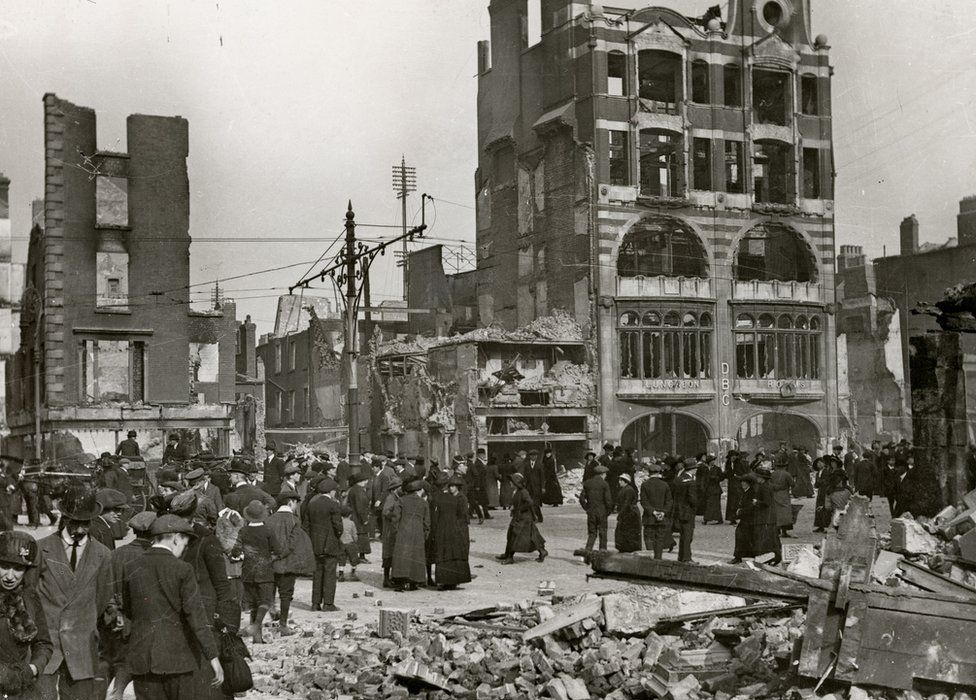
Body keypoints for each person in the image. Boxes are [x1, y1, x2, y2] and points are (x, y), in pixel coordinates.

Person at [121, 514, 223, 699]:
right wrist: (213, 657)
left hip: (142, 659)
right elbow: (196, 617)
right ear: (176, 538)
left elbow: (128, 610)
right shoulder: (183, 569)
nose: (183, 550)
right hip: (178, 660)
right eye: (184, 544)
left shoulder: (131, 567)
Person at [36, 485, 114, 700]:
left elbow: (102, 598)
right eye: (74, 522)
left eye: (85, 524)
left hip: (82, 647)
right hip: (46, 649)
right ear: (64, 518)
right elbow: (31, 596)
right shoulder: (41, 549)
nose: (80, 530)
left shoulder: (103, 555)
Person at [108, 511, 156, 700]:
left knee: (123, 660)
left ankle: (117, 693)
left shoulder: (116, 554)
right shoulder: (152, 555)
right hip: (144, 618)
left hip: (120, 618)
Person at [0, 530, 53, 699]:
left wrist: (33, 668)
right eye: (4, 566)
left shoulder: (29, 597)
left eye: (18, 568)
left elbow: (44, 643)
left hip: (21, 688)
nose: (10, 576)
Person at [267, 489, 313, 637]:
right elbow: (292, 544)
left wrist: (272, 556)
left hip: (271, 564)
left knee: (269, 593)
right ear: (290, 502)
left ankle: (267, 618)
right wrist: (280, 555)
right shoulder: (294, 520)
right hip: (287, 564)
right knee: (286, 595)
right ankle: (283, 625)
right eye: (294, 503)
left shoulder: (269, 519)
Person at [240, 500, 283, 643]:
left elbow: (235, 550)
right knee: (266, 601)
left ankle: (257, 638)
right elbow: (278, 550)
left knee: (253, 604)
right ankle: (256, 626)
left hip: (247, 571)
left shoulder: (243, 531)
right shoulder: (268, 530)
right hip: (264, 571)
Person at [304, 478, 343, 612]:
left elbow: (306, 526)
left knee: (318, 573)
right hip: (330, 544)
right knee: (330, 574)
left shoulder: (311, 503)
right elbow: (338, 527)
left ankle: (315, 603)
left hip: (315, 544)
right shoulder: (333, 504)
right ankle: (328, 603)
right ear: (332, 491)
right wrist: (337, 536)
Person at [496, 473, 547, 564]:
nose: (510, 483)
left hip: (524, 518)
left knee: (515, 536)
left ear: (516, 483)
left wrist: (518, 509)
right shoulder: (517, 491)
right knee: (527, 536)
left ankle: (510, 557)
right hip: (520, 517)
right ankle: (542, 551)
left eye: (512, 481)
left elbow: (530, 503)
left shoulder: (523, 492)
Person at [431, 475, 471, 590]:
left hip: (459, 529)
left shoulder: (461, 498)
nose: (451, 488)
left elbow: (463, 516)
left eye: (453, 486)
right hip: (452, 528)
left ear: (458, 487)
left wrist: (456, 526)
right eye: (450, 486)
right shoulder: (450, 497)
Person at [389, 480, 430, 591]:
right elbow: (427, 522)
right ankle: (414, 582)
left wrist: (396, 532)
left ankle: (401, 582)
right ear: (418, 490)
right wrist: (425, 534)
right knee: (416, 556)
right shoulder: (423, 502)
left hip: (403, 531)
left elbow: (395, 519)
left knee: (402, 556)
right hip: (418, 532)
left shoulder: (401, 500)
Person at [640, 462, 673, 559]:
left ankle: (650, 560)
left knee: (649, 538)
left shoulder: (645, 485)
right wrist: (663, 512)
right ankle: (658, 558)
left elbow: (644, 502)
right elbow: (669, 501)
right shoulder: (665, 485)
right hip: (662, 518)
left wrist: (653, 512)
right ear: (659, 473)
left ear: (649, 473)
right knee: (659, 540)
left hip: (649, 517)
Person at [751, 463, 782, 565]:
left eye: (758, 477)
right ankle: (776, 557)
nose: (757, 479)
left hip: (765, 517)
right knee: (772, 539)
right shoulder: (767, 485)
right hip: (770, 517)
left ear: (762, 478)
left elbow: (766, 503)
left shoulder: (763, 487)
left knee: (765, 539)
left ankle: (768, 558)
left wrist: (756, 502)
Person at [579, 465, 612, 554]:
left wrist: (586, 507)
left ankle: (588, 551)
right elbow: (608, 500)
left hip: (591, 512)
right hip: (602, 511)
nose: (606, 476)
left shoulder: (587, 483)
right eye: (605, 474)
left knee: (592, 533)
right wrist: (608, 511)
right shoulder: (605, 484)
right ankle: (602, 552)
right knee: (603, 532)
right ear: (602, 474)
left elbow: (581, 498)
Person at [671, 458, 699, 563]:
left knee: (683, 534)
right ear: (693, 469)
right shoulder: (691, 482)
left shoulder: (678, 479)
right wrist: (695, 507)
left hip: (679, 511)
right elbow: (692, 499)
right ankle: (686, 557)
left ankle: (681, 556)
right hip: (688, 511)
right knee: (688, 535)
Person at [379, 478, 403, 589]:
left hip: (393, 530)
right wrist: (395, 517)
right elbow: (385, 512)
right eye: (399, 487)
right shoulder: (391, 498)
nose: (401, 488)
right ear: (395, 489)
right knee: (388, 555)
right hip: (389, 531)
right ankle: (386, 579)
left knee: (391, 554)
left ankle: (390, 577)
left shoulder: (396, 497)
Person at [346, 470, 372, 564]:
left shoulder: (354, 489)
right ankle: (360, 556)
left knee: (358, 536)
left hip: (354, 516)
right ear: (362, 481)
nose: (367, 482)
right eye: (366, 480)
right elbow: (360, 507)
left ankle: (358, 556)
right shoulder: (359, 491)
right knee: (361, 537)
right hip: (358, 518)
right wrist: (364, 519)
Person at [614, 473, 642, 553]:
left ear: (625, 481)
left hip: (630, 514)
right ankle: (624, 547)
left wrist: (620, 514)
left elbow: (627, 503)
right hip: (627, 514)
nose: (619, 482)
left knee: (629, 532)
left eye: (621, 480)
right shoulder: (625, 489)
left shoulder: (629, 490)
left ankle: (628, 548)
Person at [769, 456, 796, 537]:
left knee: (776, 513)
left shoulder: (772, 474)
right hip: (784, 494)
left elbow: (769, 484)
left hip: (775, 494)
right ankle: (784, 531)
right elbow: (792, 484)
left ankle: (777, 531)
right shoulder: (787, 474)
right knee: (785, 513)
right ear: (785, 466)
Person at [336, 505, 361, 583]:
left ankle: (341, 574)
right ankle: (353, 573)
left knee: (341, 559)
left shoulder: (340, 522)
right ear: (350, 515)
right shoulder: (351, 523)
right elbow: (354, 534)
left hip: (341, 543)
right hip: (350, 543)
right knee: (353, 558)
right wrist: (356, 541)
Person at [519, 449, 545, 523]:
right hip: (529, 487)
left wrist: (543, 487)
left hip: (537, 487)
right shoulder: (526, 465)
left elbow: (542, 477)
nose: (533, 457)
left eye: (535, 456)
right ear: (530, 456)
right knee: (531, 502)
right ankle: (539, 517)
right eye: (532, 456)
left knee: (535, 503)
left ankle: (535, 518)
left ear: (536, 456)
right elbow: (525, 476)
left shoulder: (540, 465)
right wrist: (524, 485)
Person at [465, 453, 490, 523]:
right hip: (470, 486)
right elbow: (476, 475)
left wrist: (476, 485)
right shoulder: (471, 464)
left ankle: (479, 516)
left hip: (470, 486)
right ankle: (479, 516)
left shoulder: (470, 465)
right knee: (472, 501)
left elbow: (476, 475)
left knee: (472, 501)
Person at [701, 454, 724, 524]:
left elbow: (722, 477)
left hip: (716, 489)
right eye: (711, 461)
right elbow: (703, 479)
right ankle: (707, 519)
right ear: (708, 462)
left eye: (713, 460)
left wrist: (716, 478)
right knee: (708, 504)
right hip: (708, 489)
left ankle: (718, 519)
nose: (713, 462)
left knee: (716, 505)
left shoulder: (717, 469)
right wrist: (703, 487)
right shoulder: (705, 469)